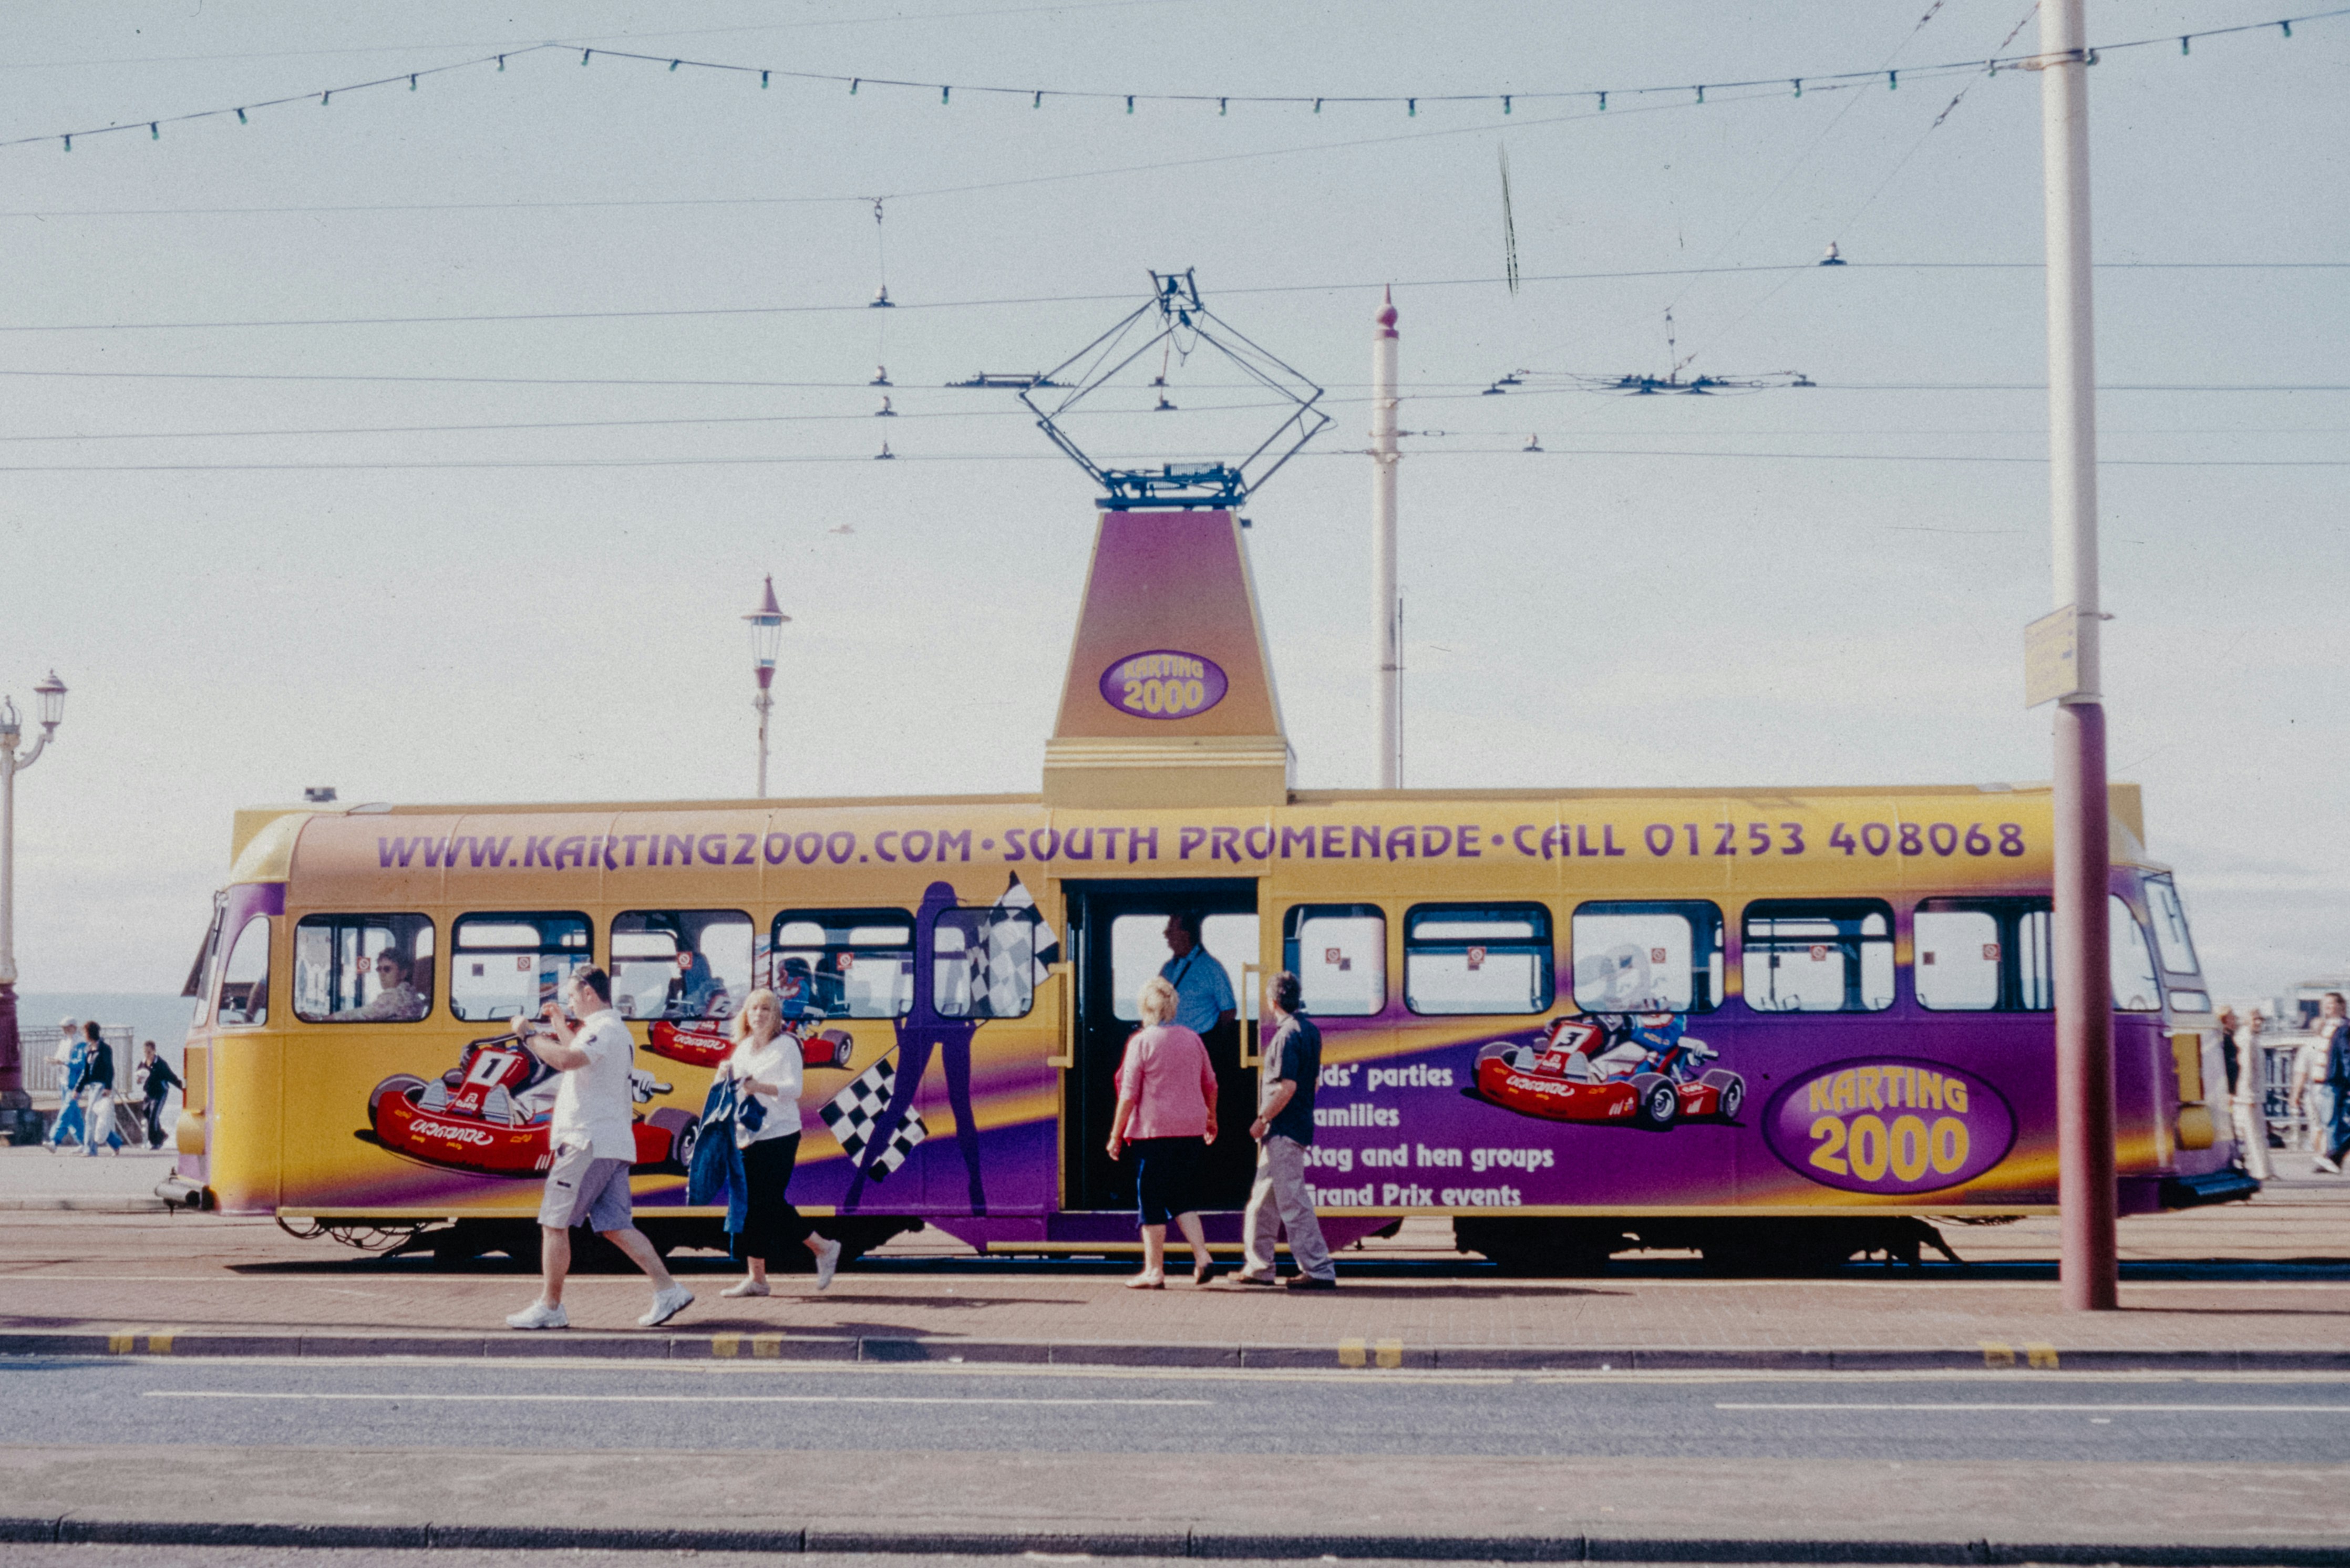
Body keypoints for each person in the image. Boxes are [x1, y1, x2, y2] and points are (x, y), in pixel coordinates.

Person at [504, 967, 694, 1332]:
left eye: (572, 996)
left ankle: (550, 1306)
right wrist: (560, 1024)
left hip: (586, 1141)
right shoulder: (610, 1030)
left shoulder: (603, 1028)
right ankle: (668, 1290)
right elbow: (576, 1052)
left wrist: (528, 1034)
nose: (570, 1002)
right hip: (611, 1143)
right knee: (616, 1226)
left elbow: (566, 1061)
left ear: (590, 993)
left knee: (554, 1223)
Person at [714, 987, 843, 1296]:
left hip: (780, 1134)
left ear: (776, 1017)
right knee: (752, 1206)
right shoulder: (743, 1048)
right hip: (749, 1135)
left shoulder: (787, 1046)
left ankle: (824, 1248)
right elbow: (731, 1088)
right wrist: (723, 1076)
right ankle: (757, 1279)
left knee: (768, 1202)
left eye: (766, 1010)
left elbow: (794, 1089)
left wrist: (759, 1086)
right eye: (754, 1008)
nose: (759, 1014)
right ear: (745, 1013)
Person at [1106, 975, 1219, 1288]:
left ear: (1145, 1007)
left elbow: (1128, 1095)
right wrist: (1211, 1119)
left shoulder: (1141, 1042)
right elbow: (1211, 1083)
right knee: (1182, 1197)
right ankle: (1203, 1257)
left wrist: (1116, 1135)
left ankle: (1154, 1271)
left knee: (1152, 1200)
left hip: (1153, 1134)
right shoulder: (1192, 1038)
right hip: (1190, 1132)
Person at [1229, 970, 1337, 1291]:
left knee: (1293, 1202)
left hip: (1282, 1130)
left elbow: (1286, 1086)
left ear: (1272, 1002)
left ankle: (1318, 1269)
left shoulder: (1286, 1036)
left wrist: (1262, 1119)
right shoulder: (1310, 1031)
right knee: (1262, 1202)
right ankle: (1259, 1267)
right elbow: (1312, 1083)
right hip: (1292, 1128)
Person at [1159, 912, 1236, 1037]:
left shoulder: (1211, 968)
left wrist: (1212, 1040)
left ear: (1185, 935)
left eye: (1170, 930)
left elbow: (1228, 1011)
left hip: (1198, 1041)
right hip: (1168, 1043)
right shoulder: (1167, 968)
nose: (1166, 935)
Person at [2230, 1007, 2272, 1182]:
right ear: (2247, 1021)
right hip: (2249, 1095)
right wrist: (2248, 1094)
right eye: (2255, 1020)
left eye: (2260, 1019)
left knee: (2258, 1132)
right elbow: (2246, 1069)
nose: (2259, 1023)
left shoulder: (2252, 1038)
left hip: (2254, 1093)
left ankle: (2265, 1168)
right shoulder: (2246, 1039)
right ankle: (2261, 1170)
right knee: (2254, 1133)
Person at [331, 948, 429, 1023]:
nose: (382, 974)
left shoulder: (394, 996)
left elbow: (360, 1015)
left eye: (387, 969)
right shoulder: (411, 994)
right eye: (379, 969)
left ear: (403, 974)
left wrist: (324, 1018)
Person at [2314, 993, 2350, 1174]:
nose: (2327, 1007)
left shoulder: (2343, 1028)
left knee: (2331, 1121)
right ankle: (2333, 1157)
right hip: (2326, 1080)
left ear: (2341, 1006)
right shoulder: (2329, 1027)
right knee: (2332, 1121)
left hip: (2334, 1081)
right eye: (2325, 1003)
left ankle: (2333, 1158)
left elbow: (2347, 1056)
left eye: (2331, 1004)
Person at [78, 1022, 124, 1157]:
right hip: (93, 1087)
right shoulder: (89, 1050)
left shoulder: (104, 1049)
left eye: (84, 1032)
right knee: (100, 1119)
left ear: (90, 1033)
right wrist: (78, 1088)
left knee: (90, 1116)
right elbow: (86, 1073)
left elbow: (109, 1068)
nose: (83, 1035)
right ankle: (116, 1143)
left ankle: (90, 1149)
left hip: (101, 1086)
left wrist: (108, 1087)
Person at [44, 1019, 85, 1151]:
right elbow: (59, 1058)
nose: (64, 1030)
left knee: (66, 1111)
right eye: (63, 1028)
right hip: (64, 1081)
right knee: (73, 1114)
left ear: (73, 1027)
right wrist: (52, 1061)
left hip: (75, 1083)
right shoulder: (64, 1042)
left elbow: (80, 1063)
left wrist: (62, 1062)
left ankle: (54, 1141)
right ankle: (84, 1142)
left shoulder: (80, 1042)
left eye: (66, 1027)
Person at [137, 1042, 183, 1150]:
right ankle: (162, 1135)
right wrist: (139, 1080)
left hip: (160, 1093)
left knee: (154, 1116)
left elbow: (172, 1078)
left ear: (154, 1051)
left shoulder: (161, 1064)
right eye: (145, 1052)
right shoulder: (143, 1063)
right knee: (147, 1113)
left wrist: (185, 1089)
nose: (147, 1054)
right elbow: (139, 1077)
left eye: (149, 1052)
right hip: (149, 1093)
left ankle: (156, 1143)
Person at [669, 939, 719, 1017]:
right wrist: (672, 992)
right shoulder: (695, 995)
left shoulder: (705, 993)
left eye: (684, 972)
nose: (680, 975)